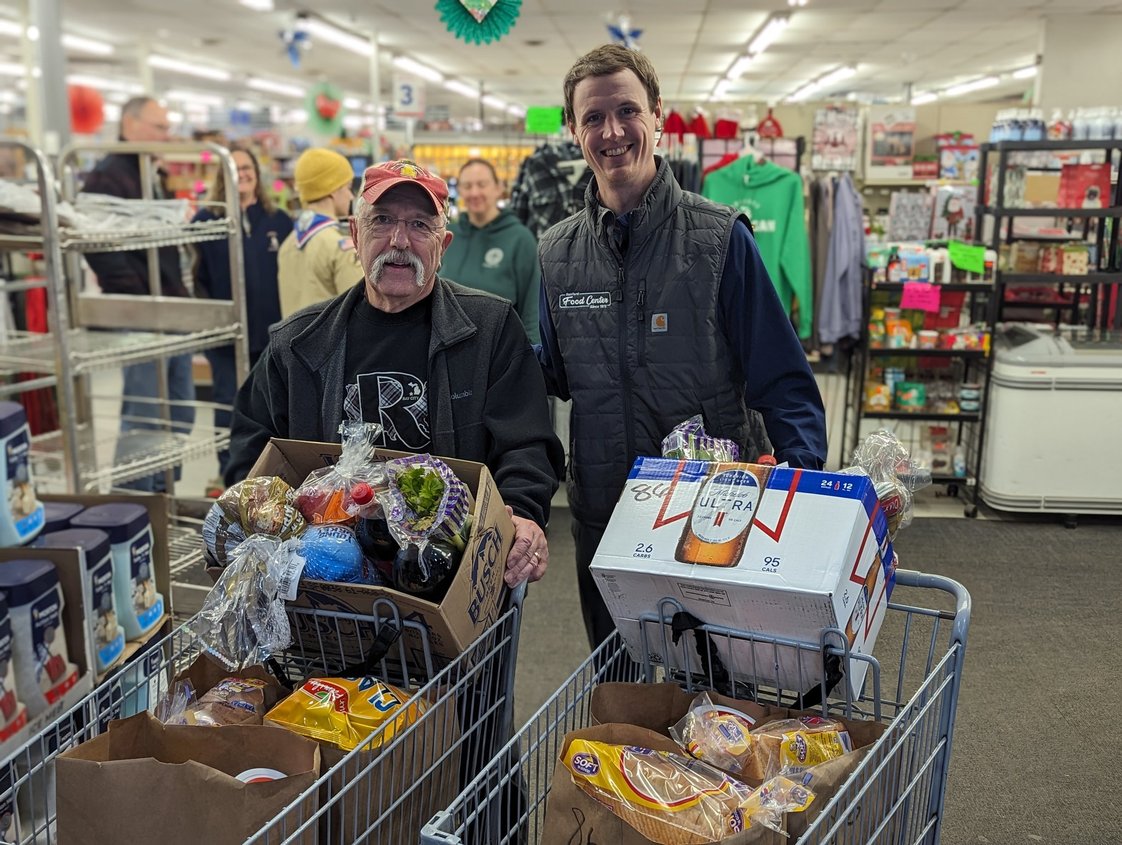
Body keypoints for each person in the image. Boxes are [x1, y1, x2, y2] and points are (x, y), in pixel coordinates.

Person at [537, 45, 829, 649]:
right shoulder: (557, 255)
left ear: (659, 116)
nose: (612, 131)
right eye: (593, 117)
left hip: (711, 513)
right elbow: (552, 376)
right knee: (619, 685)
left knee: (720, 685)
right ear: (573, 131)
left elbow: (783, 380)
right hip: (606, 516)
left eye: (628, 111)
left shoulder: (721, 239)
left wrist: (804, 493)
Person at [226, 158, 564, 587]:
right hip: (328, 584)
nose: (399, 240)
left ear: (443, 245)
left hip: (449, 575)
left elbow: (527, 446)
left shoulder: (491, 330)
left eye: (420, 226)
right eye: (382, 221)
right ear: (354, 234)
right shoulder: (297, 343)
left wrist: (523, 514)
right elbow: (252, 451)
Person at [81, 95, 194, 493]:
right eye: (159, 127)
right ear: (130, 125)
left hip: (170, 308)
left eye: (168, 127)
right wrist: (138, 293)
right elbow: (95, 244)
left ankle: (164, 492)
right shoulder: (108, 176)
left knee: (177, 409)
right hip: (144, 314)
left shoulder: (149, 173)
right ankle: (136, 500)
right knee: (146, 413)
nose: (167, 135)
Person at [192, 146, 293, 488]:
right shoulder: (206, 223)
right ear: (223, 176)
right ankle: (231, 478)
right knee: (226, 407)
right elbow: (196, 280)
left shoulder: (278, 220)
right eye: (234, 169)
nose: (243, 174)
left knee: (270, 410)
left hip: (270, 338)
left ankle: (268, 479)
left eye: (247, 167)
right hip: (226, 339)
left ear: (256, 172)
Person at [442, 159, 541, 342]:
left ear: (498, 188)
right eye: (467, 186)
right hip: (448, 352)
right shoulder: (448, 237)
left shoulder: (520, 239)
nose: (474, 192)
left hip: (499, 356)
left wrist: (532, 358)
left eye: (482, 184)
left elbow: (532, 312)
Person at [277, 148, 362, 317]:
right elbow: (359, 313)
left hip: (291, 342)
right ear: (332, 189)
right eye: (347, 187)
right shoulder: (340, 246)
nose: (350, 196)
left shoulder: (288, 243)